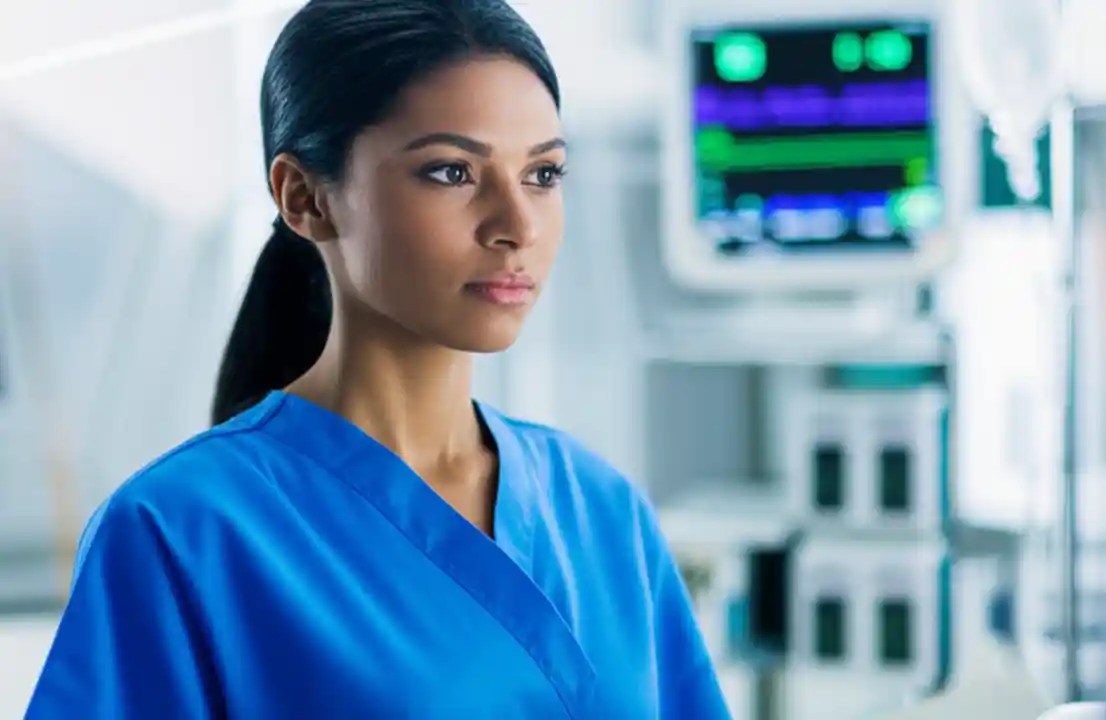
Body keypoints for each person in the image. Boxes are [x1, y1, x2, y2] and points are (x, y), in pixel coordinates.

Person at [24, 1, 731, 717]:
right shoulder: (179, 529)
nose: (517, 226)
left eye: (543, 175)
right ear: (305, 198)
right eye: (453, 172)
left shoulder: (599, 508)